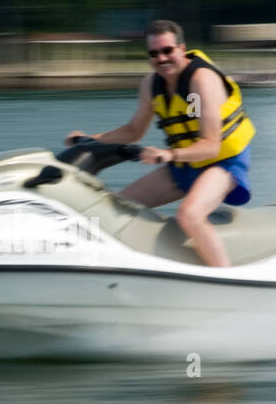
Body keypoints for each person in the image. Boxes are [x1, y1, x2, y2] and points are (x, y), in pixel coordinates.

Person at [66, 19, 256, 267]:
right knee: (118, 208)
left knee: (190, 215)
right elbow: (133, 131)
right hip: (185, 164)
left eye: (167, 50)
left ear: (181, 48)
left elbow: (211, 146)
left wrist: (169, 155)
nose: (162, 58)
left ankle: (227, 278)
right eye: (154, 53)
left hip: (222, 164)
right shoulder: (151, 85)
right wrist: (90, 140)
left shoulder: (200, 82)